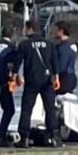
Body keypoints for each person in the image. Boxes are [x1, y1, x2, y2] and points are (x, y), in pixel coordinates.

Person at [16, 20, 59, 148]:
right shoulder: (49, 44)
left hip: (31, 81)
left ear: (30, 29)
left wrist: (14, 75)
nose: (24, 31)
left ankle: (24, 138)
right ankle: (55, 137)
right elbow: (55, 62)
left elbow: (17, 62)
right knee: (50, 109)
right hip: (47, 80)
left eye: (25, 28)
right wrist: (56, 77)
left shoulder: (24, 44)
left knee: (26, 110)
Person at [53, 21, 78, 96]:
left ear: (61, 31)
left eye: (55, 30)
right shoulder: (72, 45)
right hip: (71, 76)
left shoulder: (62, 47)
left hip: (63, 78)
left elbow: (61, 65)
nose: (54, 32)